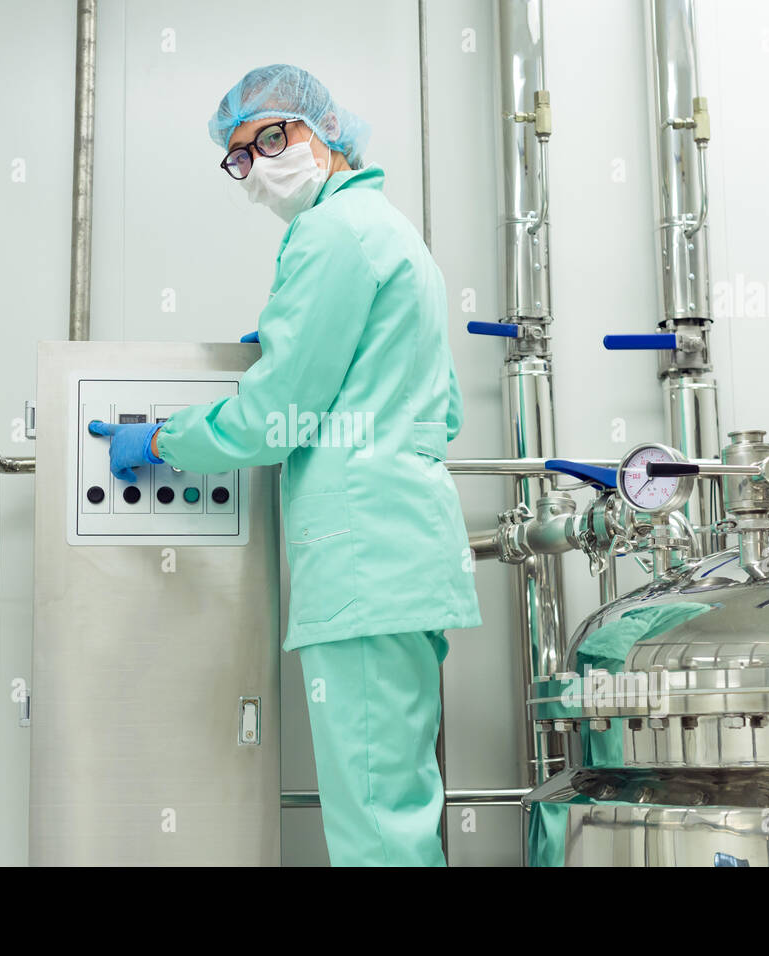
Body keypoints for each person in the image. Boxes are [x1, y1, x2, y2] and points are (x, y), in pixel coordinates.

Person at [91, 64, 481, 866]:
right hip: (401, 558)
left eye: (274, 136)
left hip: (363, 560)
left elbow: (273, 417)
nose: (261, 161)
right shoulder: (391, 232)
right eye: (241, 154)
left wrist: (163, 440)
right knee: (396, 806)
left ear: (325, 130)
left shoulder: (333, 235)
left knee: (375, 826)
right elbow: (441, 406)